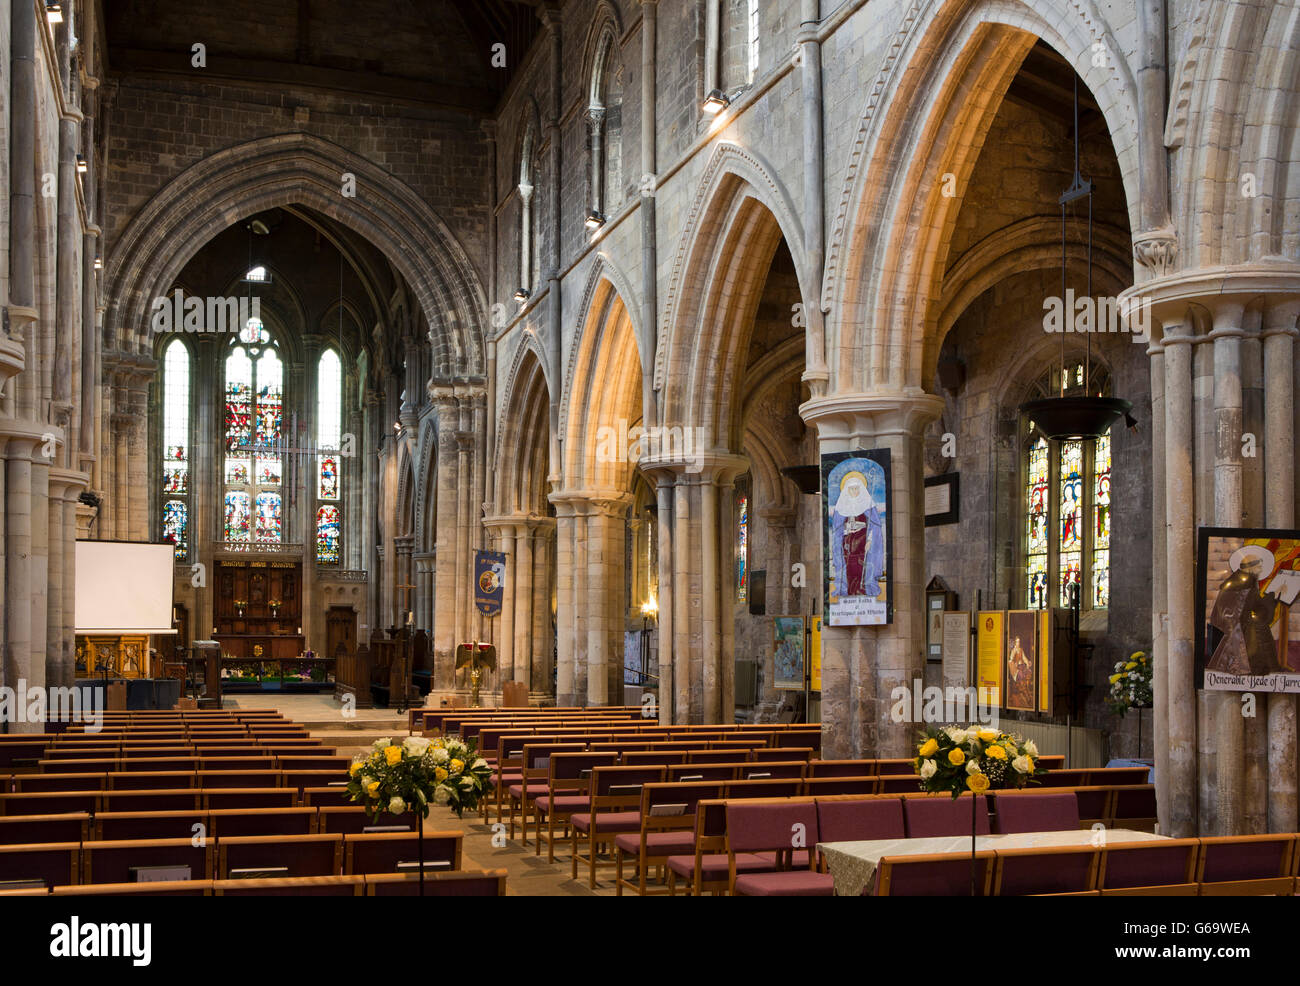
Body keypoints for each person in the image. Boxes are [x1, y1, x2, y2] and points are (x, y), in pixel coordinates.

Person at [830, 470, 885, 599]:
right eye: (851, 489)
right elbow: (837, 529)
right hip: (847, 543)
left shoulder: (868, 506)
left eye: (856, 489)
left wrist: (870, 541)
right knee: (849, 567)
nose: (854, 492)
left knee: (862, 567)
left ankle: (862, 589)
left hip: (862, 542)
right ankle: (849, 590)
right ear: (847, 490)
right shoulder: (841, 507)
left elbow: (875, 527)